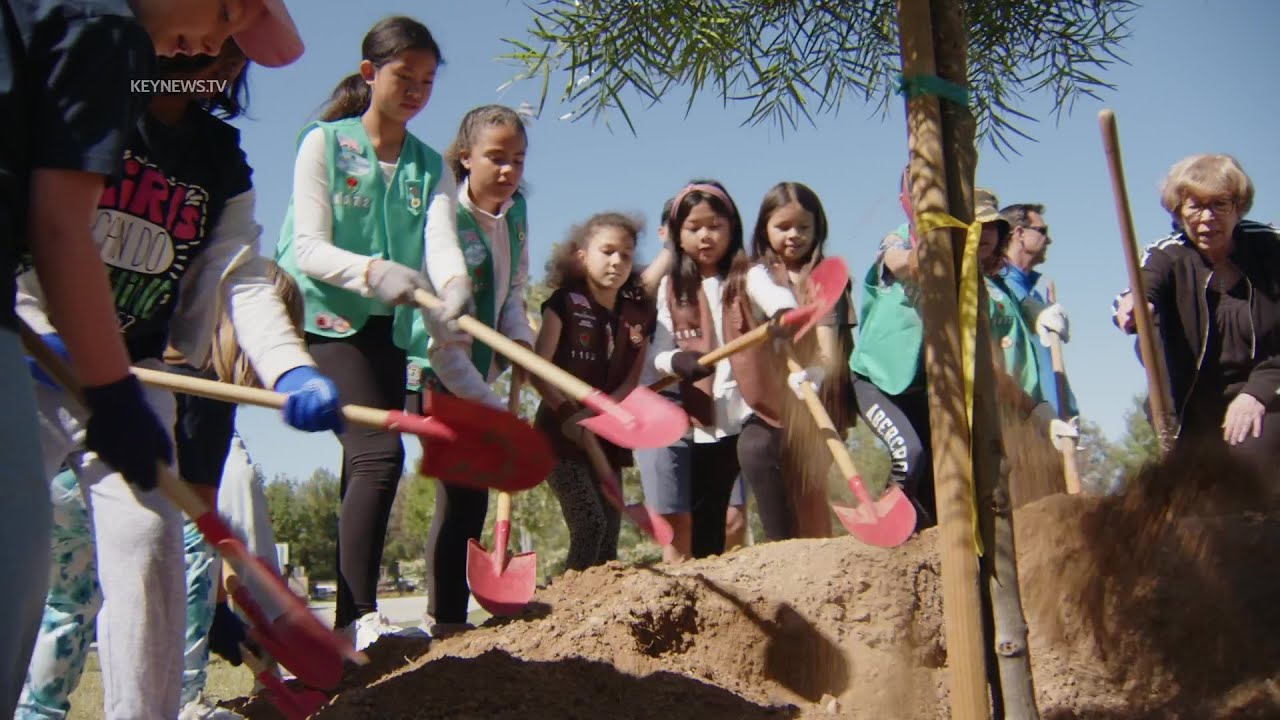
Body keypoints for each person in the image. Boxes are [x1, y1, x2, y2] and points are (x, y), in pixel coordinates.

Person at [15, 34, 341, 718]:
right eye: (221, 41)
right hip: (33, 358)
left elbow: (240, 276)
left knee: (150, 552)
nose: (227, 65)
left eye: (238, 57)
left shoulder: (219, 159)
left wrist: (290, 368)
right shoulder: (92, 105)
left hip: (134, 376)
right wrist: (32, 320)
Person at [275, 16, 469, 650]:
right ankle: (360, 616)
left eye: (427, 81)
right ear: (370, 73)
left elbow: (441, 242)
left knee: (362, 462)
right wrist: (371, 270)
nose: (416, 91)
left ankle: (344, 624)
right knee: (379, 456)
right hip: (325, 320)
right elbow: (308, 247)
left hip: (389, 331)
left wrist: (454, 287)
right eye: (403, 76)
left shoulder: (428, 165)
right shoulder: (324, 144)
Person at [418, 104, 533, 634]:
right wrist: (494, 412)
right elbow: (445, 348)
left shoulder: (517, 213)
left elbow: (514, 290)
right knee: (462, 486)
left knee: (473, 491)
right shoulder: (445, 219)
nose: (509, 170)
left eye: (518, 160)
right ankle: (445, 619)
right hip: (436, 370)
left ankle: (450, 616)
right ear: (465, 157)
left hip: (480, 373)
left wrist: (520, 339)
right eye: (496, 158)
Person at [649, 180, 798, 560]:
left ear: (732, 227)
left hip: (753, 406)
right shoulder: (671, 288)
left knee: (756, 451)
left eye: (714, 226)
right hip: (707, 418)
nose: (705, 236)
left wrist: (784, 313)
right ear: (677, 235)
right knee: (708, 511)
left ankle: (787, 552)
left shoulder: (748, 275)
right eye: (694, 228)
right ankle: (707, 575)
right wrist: (675, 361)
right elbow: (658, 352)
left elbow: (777, 299)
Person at [1112, 154, 1280, 467]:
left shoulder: (1271, 248)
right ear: (1178, 211)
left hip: (1266, 394)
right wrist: (1134, 304)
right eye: (1195, 206)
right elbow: (1143, 285)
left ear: (1239, 207)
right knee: (1193, 487)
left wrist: (1257, 393)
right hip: (1191, 409)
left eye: (1219, 204)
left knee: (1252, 462)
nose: (1206, 218)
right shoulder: (1166, 254)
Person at [532, 212, 656, 570]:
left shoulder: (636, 318)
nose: (617, 261)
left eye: (626, 255)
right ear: (583, 256)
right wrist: (568, 413)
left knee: (609, 539)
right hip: (559, 438)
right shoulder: (564, 304)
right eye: (608, 251)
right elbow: (538, 370)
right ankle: (568, 599)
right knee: (590, 525)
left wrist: (596, 415)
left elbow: (629, 383)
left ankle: (603, 603)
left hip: (606, 439)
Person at [742, 181, 856, 541]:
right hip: (771, 399)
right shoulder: (756, 275)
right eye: (783, 227)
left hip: (817, 396)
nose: (794, 235)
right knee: (772, 473)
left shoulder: (826, 277)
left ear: (818, 228)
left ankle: (818, 557)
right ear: (764, 229)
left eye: (803, 227)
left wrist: (817, 372)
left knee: (810, 485)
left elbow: (829, 347)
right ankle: (786, 554)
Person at [849, 168, 936, 529]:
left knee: (933, 474)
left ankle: (918, 537)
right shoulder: (896, 240)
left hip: (921, 386)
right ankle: (884, 525)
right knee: (908, 453)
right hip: (875, 380)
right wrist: (935, 253)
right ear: (905, 200)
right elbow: (900, 262)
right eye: (918, 191)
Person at [997, 202, 1077, 419]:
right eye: (1042, 231)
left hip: (1057, 419)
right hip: (1026, 419)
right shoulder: (998, 289)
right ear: (1020, 234)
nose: (1048, 240)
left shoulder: (1035, 297)